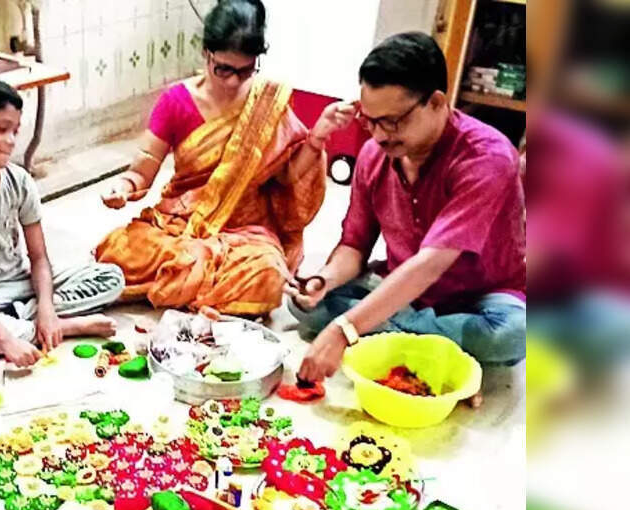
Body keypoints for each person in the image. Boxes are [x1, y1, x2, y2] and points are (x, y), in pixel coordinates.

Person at [289, 32, 526, 387]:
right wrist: (326, 279)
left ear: (436, 102)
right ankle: (421, 344)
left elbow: (432, 262)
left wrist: (345, 329)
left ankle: (388, 335)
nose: (380, 135)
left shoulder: (486, 157)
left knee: (510, 335)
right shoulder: (375, 155)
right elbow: (354, 246)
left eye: (393, 121)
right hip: (402, 287)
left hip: (478, 300)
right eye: (369, 120)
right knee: (304, 304)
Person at [95, 0, 340, 315]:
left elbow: (286, 176)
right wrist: (125, 187)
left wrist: (317, 136)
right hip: (179, 223)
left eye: (245, 70)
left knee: (266, 275)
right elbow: (143, 169)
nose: (234, 82)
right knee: (120, 252)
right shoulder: (176, 101)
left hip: (244, 228)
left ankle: (183, 286)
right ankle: (200, 288)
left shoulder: (266, 100)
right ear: (206, 53)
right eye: (223, 69)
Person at [0, 75, 123, 366]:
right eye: (2, 129)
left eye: (15, 131)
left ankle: (32, 319)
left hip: (22, 283)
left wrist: (46, 308)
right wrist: (6, 341)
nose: (11, 141)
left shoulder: (19, 180)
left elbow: (40, 258)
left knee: (111, 278)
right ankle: (64, 326)